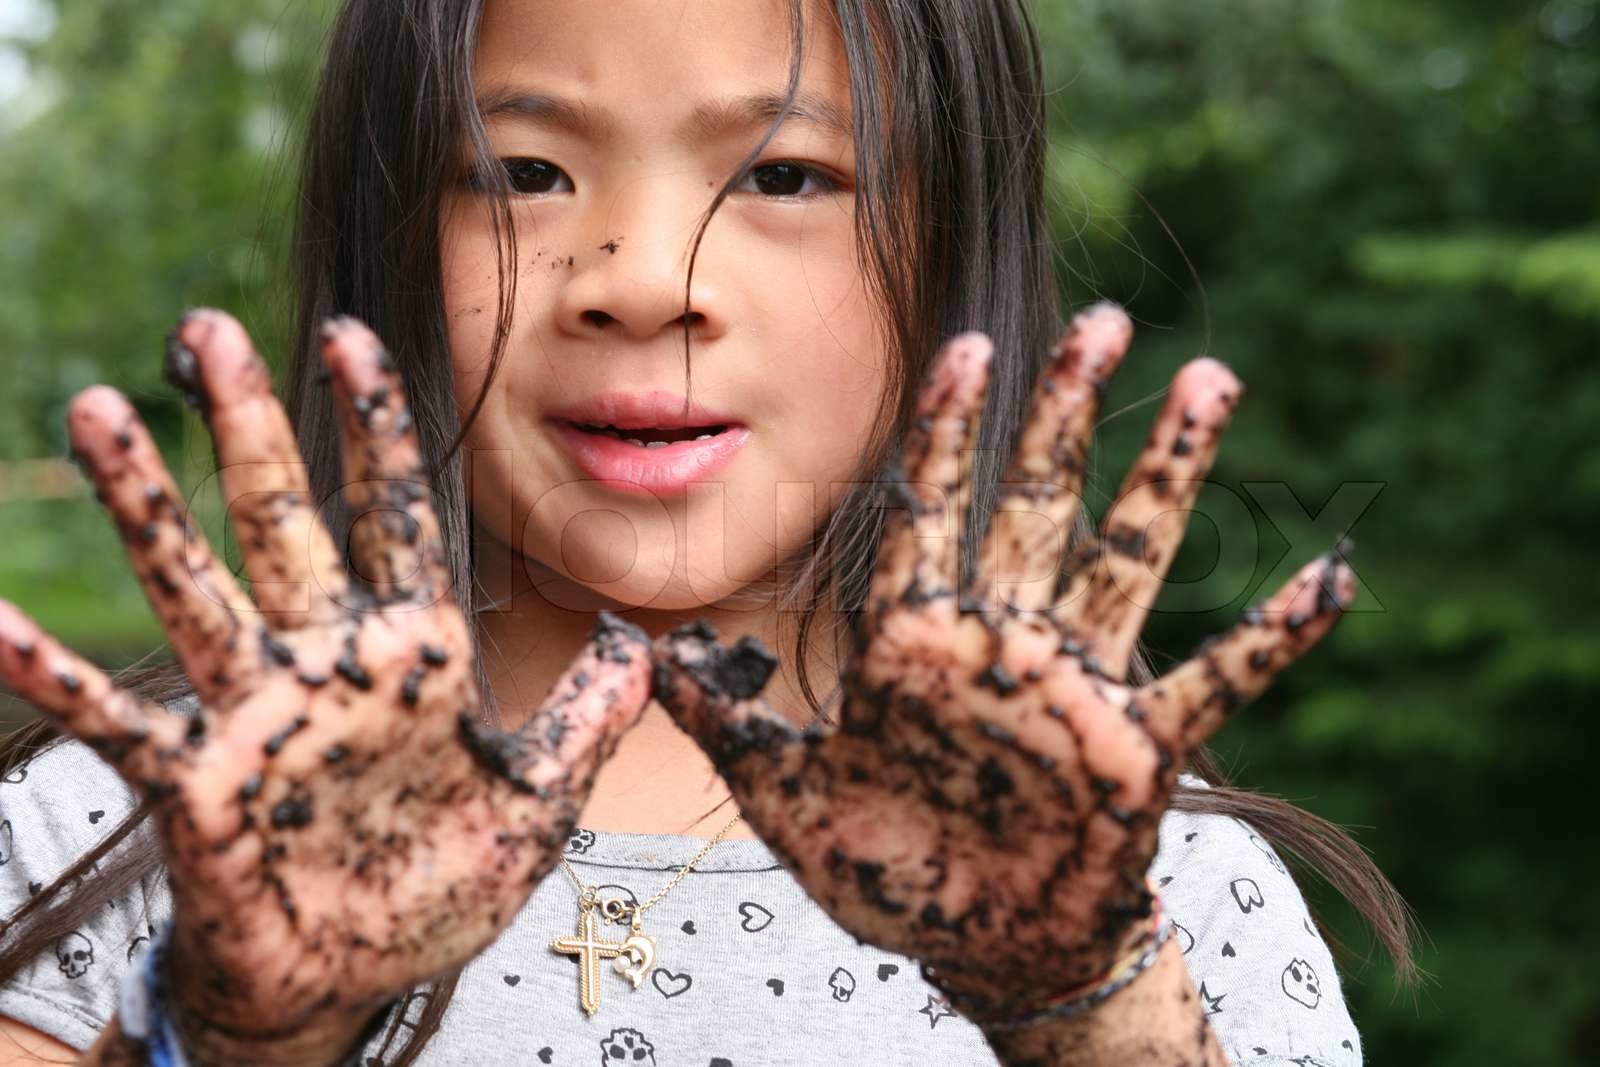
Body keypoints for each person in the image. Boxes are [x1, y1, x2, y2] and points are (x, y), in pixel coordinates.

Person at [0, 0, 1416, 1064]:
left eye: (787, 176)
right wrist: (237, 1032)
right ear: (388, 231)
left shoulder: (1150, 892)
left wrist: (1086, 1004)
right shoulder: (117, 847)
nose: (645, 280)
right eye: (525, 170)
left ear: (947, 256)